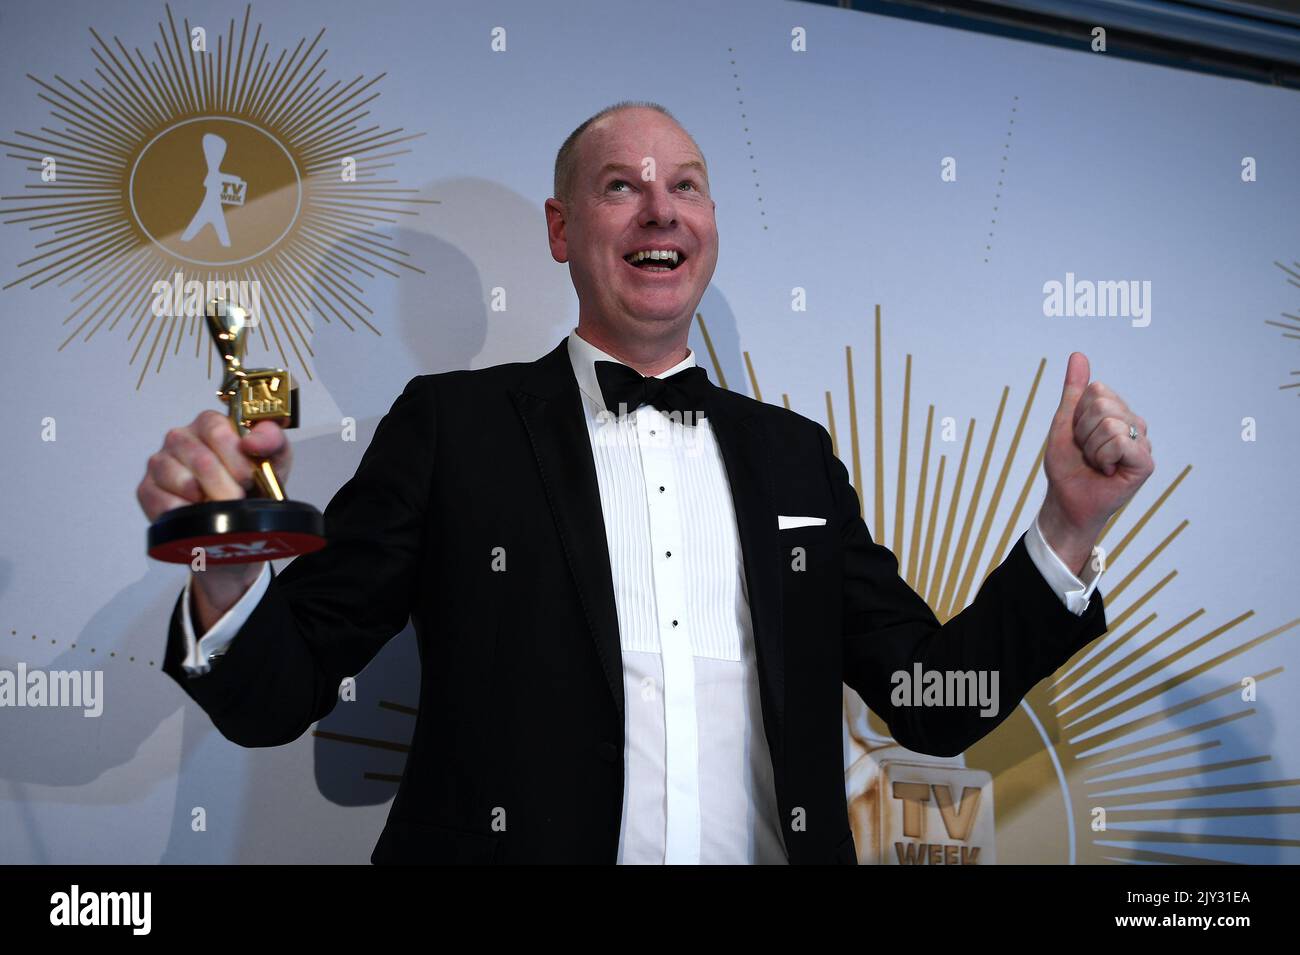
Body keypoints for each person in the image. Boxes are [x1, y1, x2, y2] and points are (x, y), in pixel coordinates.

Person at [136, 101, 1155, 864]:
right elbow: (280, 693)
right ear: (559, 227)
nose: (657, 208)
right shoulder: (452, 427)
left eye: (686, 184)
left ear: (709, 222)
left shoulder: (794, 453)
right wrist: (226, 580)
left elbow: (931, 701)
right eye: (620, 184)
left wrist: (1065, 530)